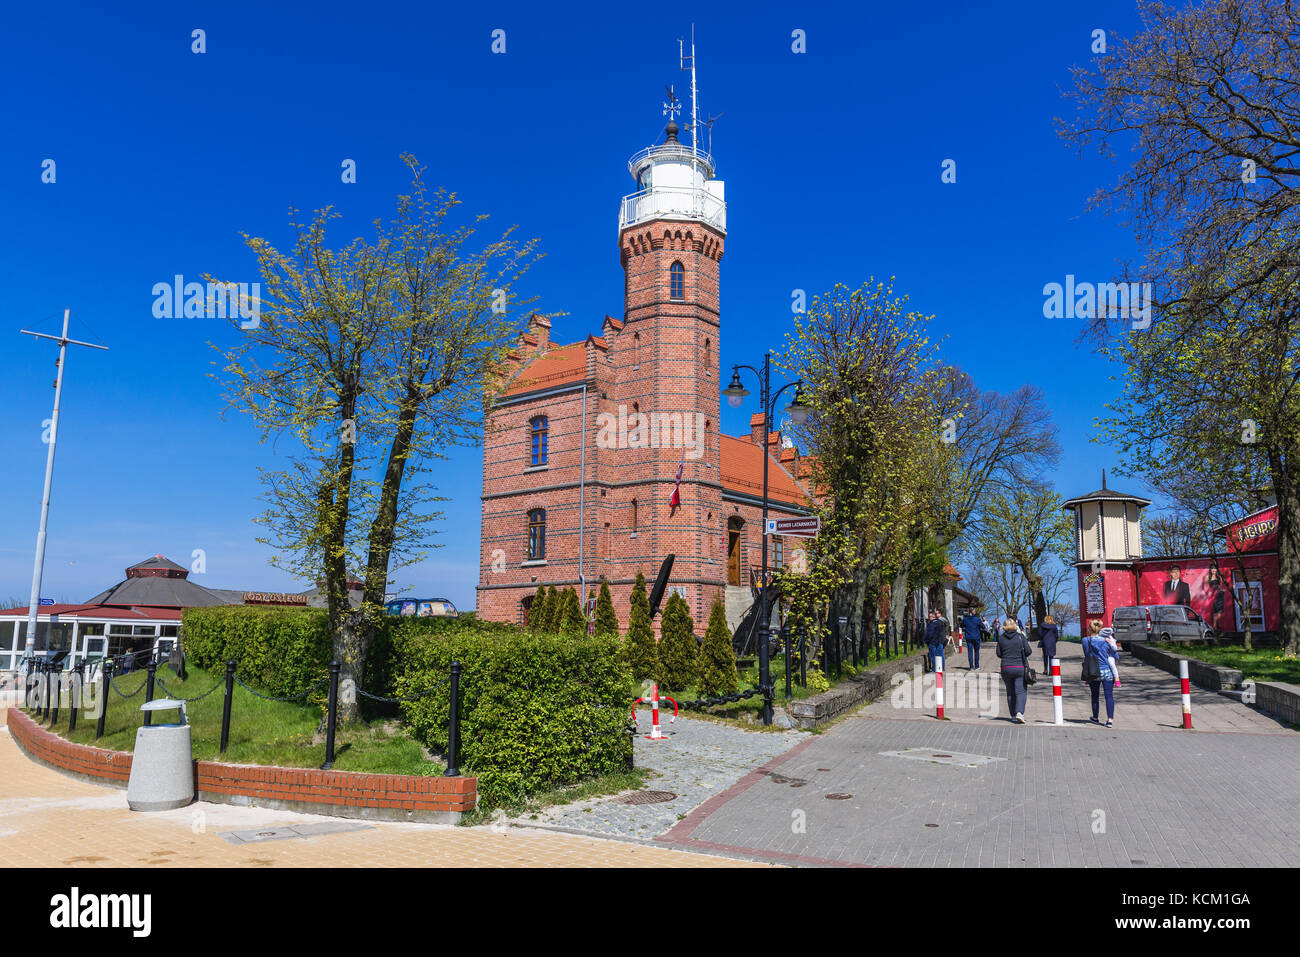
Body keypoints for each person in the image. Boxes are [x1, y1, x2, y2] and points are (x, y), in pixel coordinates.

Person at [1083, 621, 1120, 727]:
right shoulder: (1107, 641)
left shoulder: (1085, 641)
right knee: (1109, 696)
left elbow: (1086, 654)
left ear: (1089, 629)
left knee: (1095, 696)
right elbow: (1115, 655)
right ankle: (1109, 720)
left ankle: (1095, 717)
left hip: (1093, 672)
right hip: (1107, 671)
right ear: (1100, 629)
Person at [996, 618, 1034, 723]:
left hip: (1006, 668)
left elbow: (999, 654)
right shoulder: (1020, 637)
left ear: (1004, 627)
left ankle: (1013, 715)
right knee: (1021, 691)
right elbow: (1028, 651)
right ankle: (1019, 712)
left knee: (1010, 692)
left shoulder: (1001, 638)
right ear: (1015, 626)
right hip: (1019, 667)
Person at [923, 609, 949, 675]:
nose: (929, 618)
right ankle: (941, 668)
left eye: (929, 617)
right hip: (940, 641)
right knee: (940, 655)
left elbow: (930, 634)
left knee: (933, 656)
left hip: (933, 642)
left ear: (932, 617)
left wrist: (925, 640)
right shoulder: (940, 622)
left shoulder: (932, 624)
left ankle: (935, 669)